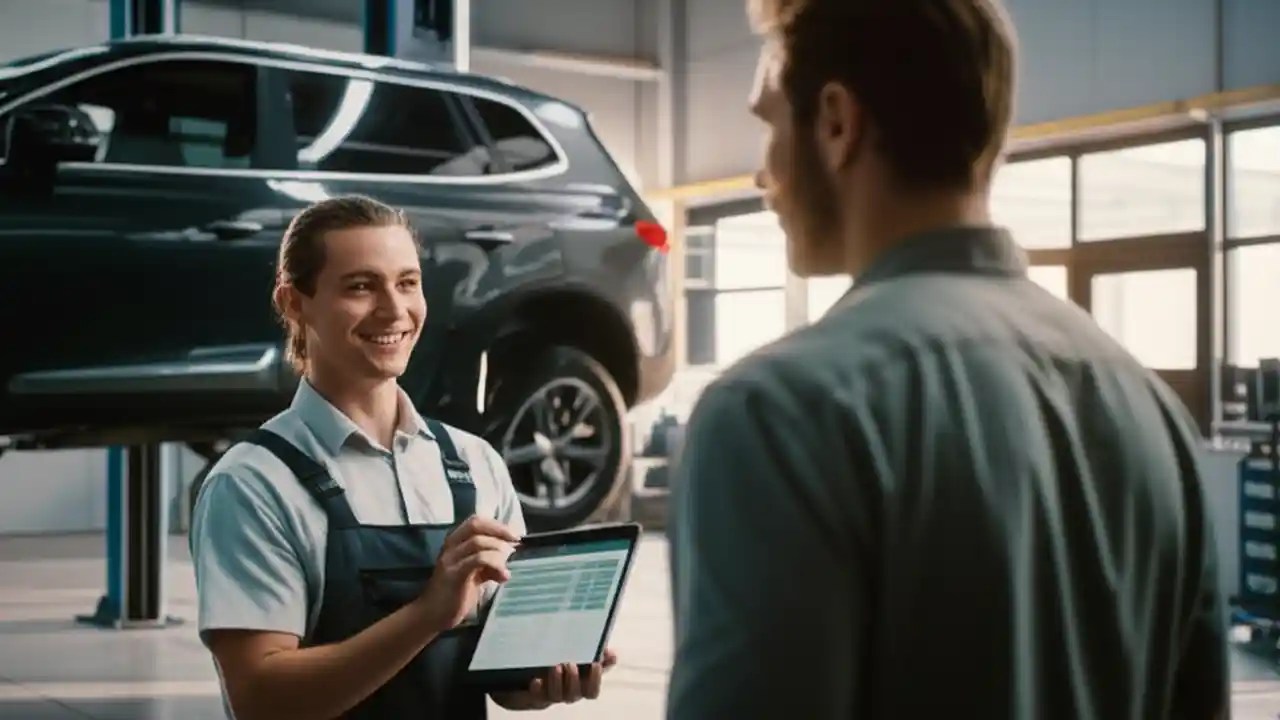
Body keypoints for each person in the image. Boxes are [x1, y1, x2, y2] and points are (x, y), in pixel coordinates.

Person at [665, 1, 1228, 719]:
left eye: (769, 124)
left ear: (836, 122)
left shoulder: (778, 414)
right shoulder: (1153, 414)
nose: (760, 175)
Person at [190, 195, 615, 720]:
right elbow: (261, 700)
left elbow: (494, 673)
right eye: (361, 286)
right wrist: (427, 614)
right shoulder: (253, 484)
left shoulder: (476, 463)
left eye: (408, 283)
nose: (394, 310)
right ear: (294, 302)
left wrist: (536, 681)